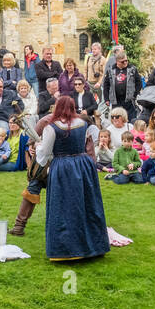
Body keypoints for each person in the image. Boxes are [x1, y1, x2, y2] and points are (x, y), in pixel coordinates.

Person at [34, 96, 107, 260]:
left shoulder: (51, 128)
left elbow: (44, 155)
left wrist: (38, 146)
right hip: (83, 165)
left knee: (64, 207)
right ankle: (93, 246)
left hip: (63, 168)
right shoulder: (83, 124)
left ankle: (67, 250)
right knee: (86, 205)